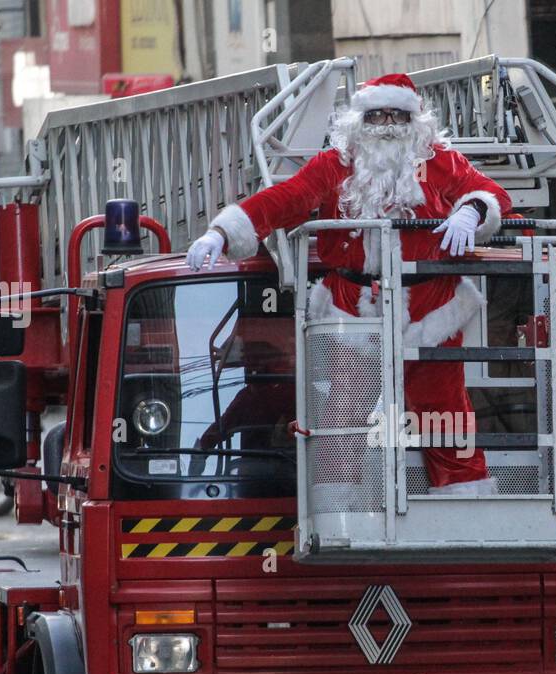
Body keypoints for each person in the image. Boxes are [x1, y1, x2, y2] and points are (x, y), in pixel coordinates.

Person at [185, 72, 511, 495]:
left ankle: (467, 499)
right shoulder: (332, 167)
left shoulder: (442, 162)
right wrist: (223, 233)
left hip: (431, 306)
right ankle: (341, 506)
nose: (388, 125)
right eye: (378, 116)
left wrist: (473, 210)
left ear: (416, 122)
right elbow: (283, 201)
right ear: (360, 121)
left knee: (445, 413)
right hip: (350, 308)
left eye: (398, 115)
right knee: (343, 415)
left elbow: (491, 193)